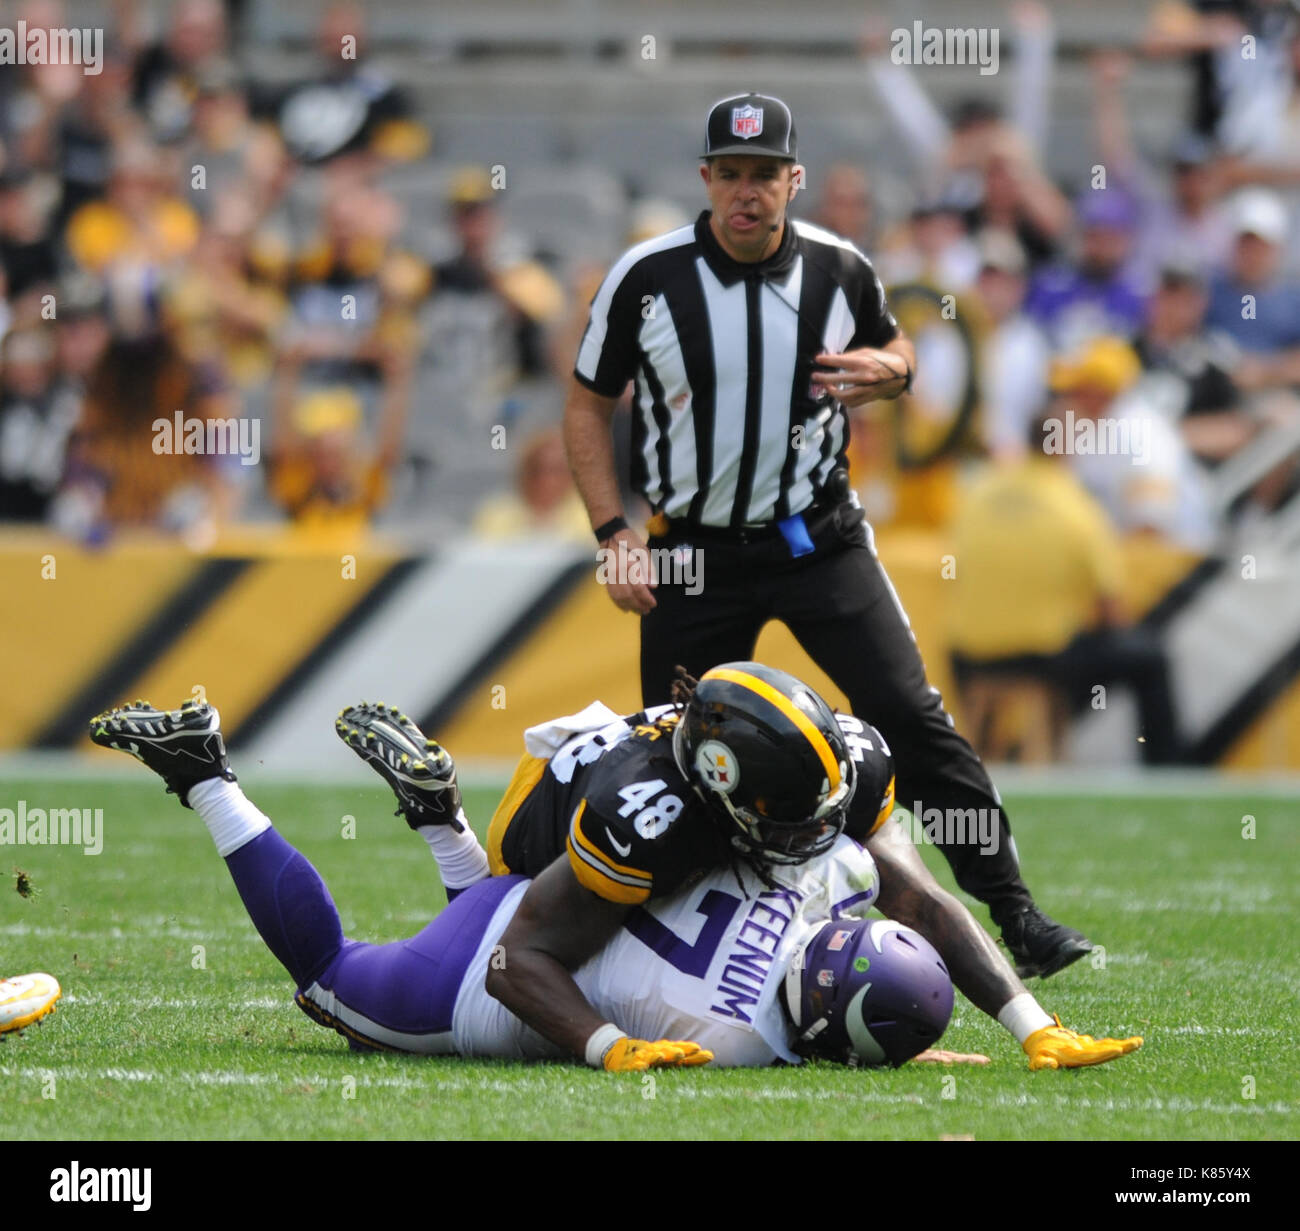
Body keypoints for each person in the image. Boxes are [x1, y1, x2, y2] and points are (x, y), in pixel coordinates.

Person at [561, 91, 1091, 979]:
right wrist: (614, 530)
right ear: (705, 179)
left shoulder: (841, 270)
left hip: (818, 539)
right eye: (730, 174)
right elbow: (584, 402)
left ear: (793, 180)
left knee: (912, 719)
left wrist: (894, 369)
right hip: (692, 548)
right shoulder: (648, 275)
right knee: (684, 754)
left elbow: (897, 350)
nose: (747, 193)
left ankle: (1018, 915)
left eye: (764, 174)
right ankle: (655, 951)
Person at [87, 685, 1142, 1073]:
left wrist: (1019, 1017)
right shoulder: (743, 1025)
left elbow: (910, 907)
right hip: (550, 853)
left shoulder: (835, 803)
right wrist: (606, 1047)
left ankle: (426, 819)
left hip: (570, 910)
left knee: (530, 908)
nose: (818, 840)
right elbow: (517, 963)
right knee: (331, 981)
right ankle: (204, 774)